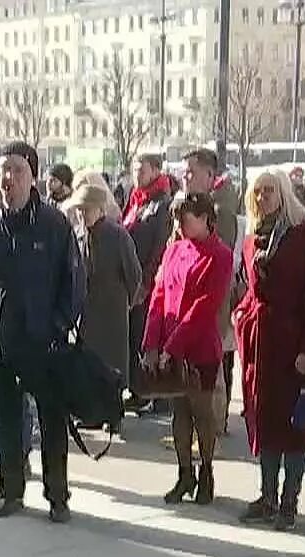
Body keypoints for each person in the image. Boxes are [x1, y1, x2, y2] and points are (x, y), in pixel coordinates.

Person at [0, 141, 83, 522]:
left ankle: (57, 496)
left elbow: (74, 281)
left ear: (33, 176)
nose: (9, 178)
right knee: (7, 421)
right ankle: (11, 491)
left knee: (52, 423)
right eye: (4, 170)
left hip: (46, 342)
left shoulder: (54, 224)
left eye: (18, 169)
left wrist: (60, 324)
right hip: (2, 342)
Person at [236, 169, 305, 530]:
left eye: (270, 191)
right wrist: (242, 314)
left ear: (284, 193)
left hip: (293, 340)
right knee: (263, 419)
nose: (263, 198)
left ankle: (289, 501)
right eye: (257, 192)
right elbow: (250, 288)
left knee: (295, 424)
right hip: (260, 344)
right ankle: (267, 495)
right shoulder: (252, 237)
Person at [144, 192, 233, 505]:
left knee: (203, 415)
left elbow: (205, 306)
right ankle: (184, 472)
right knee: (178, 414)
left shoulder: (219, 254)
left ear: (206, 217)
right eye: (178, 217)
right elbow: (158, 296)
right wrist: (151, 343)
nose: (181, 223)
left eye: (187, 217)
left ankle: (206, 471)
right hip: (171, 343)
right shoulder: (174, 250)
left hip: (199, 346)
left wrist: (174, 345)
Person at [67, 178, 143, 430]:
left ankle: (113, 416)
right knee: (89, 366)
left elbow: (133, 274)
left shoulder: (118, 236)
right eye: (79, 210)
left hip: (112, 310)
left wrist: (128, 302)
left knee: (113, 366)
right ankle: (92, 413)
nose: (82, 214)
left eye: (86, 209)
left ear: (99, 209)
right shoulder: (77, 236)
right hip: (87, 312)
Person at [182, 148, 243, 427]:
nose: (185, 177)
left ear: (209, 175)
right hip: (196, 293)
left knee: (214, 366)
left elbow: (223, 254)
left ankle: (212, 425)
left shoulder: (221, 208)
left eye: (191, 172)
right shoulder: (198, 203)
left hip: (214, 297)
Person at [123, 153, 177, 404]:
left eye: (141, 169)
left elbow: (159, 248)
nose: (136, 174)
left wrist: (145, 283)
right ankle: (138, 390)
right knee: (134, 337)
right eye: (134, 169)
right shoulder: (135, 201)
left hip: (147, 285)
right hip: (130, 281)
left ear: (156, 171)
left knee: (147, 337)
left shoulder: (163, 205)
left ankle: (152, 394)